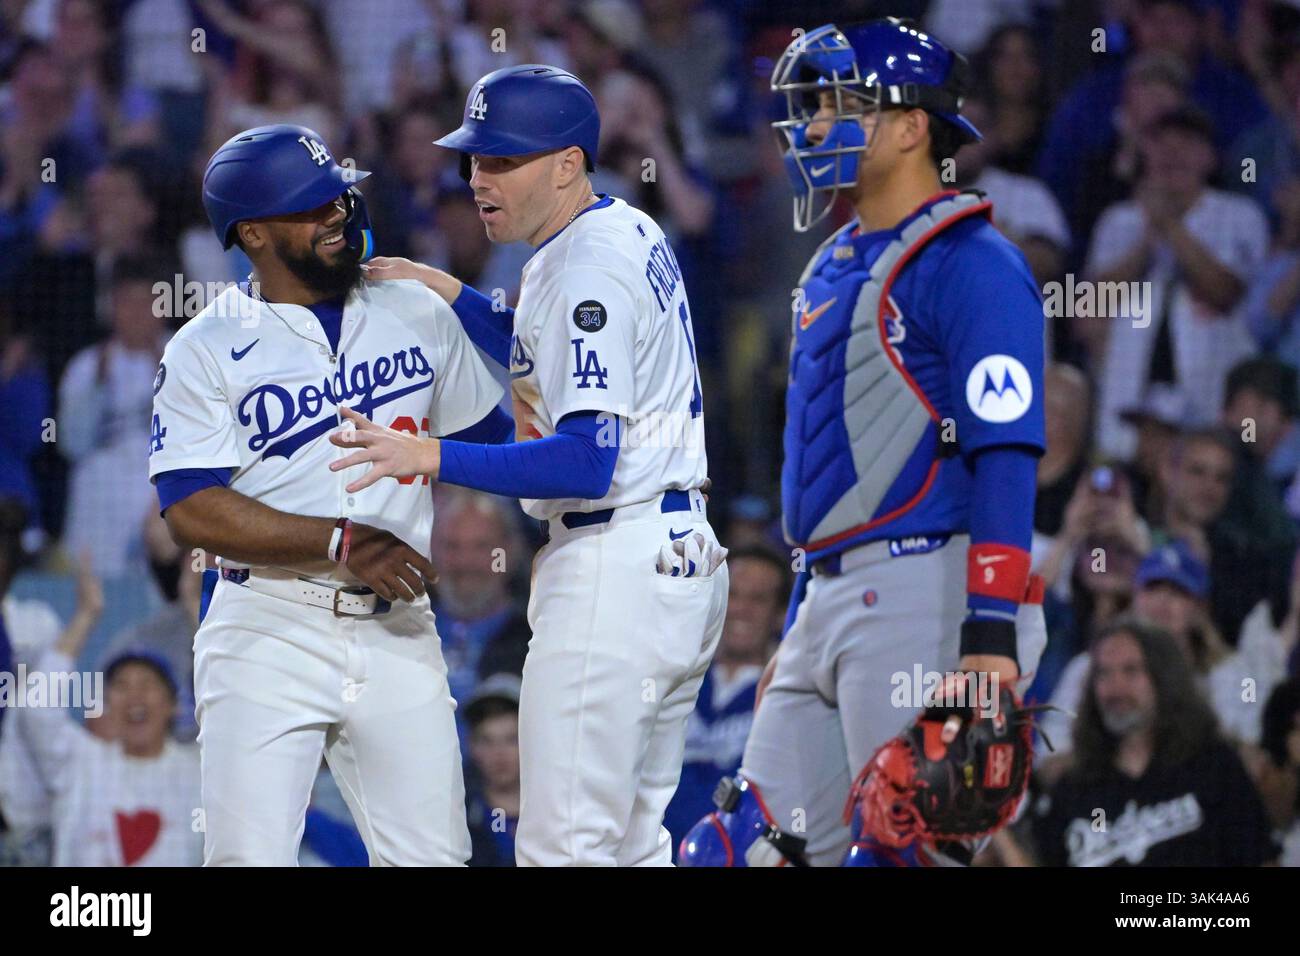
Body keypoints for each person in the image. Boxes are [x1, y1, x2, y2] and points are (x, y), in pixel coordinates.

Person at [326, 64, 730, 866]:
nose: (479, 179)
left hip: (615, 566)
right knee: (632, 845)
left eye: (503, 162)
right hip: (676, 561)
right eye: (474, 160)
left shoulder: (588, 268)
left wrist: (430, 454)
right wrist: (456, 295)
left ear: (568, 164)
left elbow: (585, 461)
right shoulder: (616, 228)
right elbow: (552, 351)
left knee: (562, 848)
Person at [680, 19, 1048, 867]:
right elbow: (830, 470)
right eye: (808, 108)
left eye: (837, 106)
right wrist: (803, 620)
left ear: (913, 125)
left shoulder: (972, 261)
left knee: (901, 848)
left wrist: (989, 635)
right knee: (732, 852)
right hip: (830, 598)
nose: (812, 128)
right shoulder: (832, 264)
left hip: (933, 588)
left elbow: (1006, 452)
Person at [148, 123, 506, 866]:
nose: (339, 212)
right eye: (312, 207)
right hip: (266, 625)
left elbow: (495, 441)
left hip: (398, 623)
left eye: (337, 195)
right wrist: (338, 538)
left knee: (434, 859)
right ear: (252, 233)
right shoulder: (204, 348)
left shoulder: (411, 307)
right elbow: (190, 508)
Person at [1086, 105, 1268, 459]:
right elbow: (1089, 308)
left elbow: (1225, 292)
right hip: (1124, 406)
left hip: (1209, 404)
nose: (1172, 153)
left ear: (1211, 158)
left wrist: (1170, 226)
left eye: (1187, 143)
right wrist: (1146, 240)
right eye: (1160, 143)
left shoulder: (1239, 215)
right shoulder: (1119, 220)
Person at [1032, 619, 1278, 867]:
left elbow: (1261, 858)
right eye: (1104, 674)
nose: (1116, 689)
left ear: (1163, 677)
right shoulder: (1073, 789)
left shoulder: (1214, 766)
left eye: (1131, 671)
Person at [19, 553, 204, 866]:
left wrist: (192, 605)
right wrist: (86, 615)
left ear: (173, 705)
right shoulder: (81, 763)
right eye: (120, 686)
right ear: (106, 704)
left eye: (147, 684)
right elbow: (35, 709)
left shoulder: (199, 771)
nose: (134, 695)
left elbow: (243, 716)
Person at [663, 545, 786, 858]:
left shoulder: (788, 697)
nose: (741, 609)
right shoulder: (670, 679)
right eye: (733, 594)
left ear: (780, 614)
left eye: (758, 599)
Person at [463, 673, 522, 867]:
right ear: (472, 746)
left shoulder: (561, 815)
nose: (499, 754)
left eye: (511, 739)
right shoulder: (454, 818)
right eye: (487, 740)